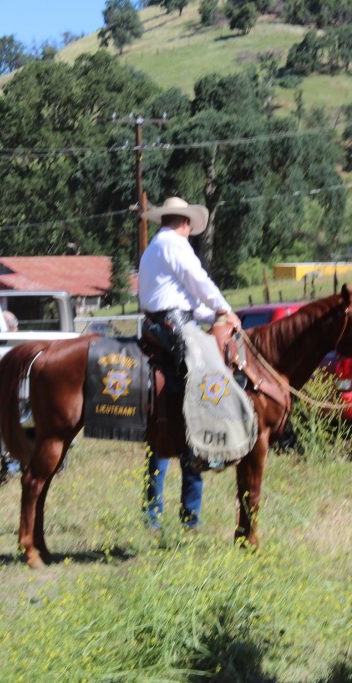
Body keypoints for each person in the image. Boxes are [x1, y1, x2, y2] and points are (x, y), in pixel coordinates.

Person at [138, 196, 241, 530]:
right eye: (189, 226)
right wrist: (226, 310)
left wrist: (215, 314)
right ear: (184, 222)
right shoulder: (176, 245)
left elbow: (190, 301)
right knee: (210, 373)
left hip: (162, 321)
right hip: (172, 324)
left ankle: (155, 512)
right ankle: (208, 440)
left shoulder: (156, 247)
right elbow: (200, 283)